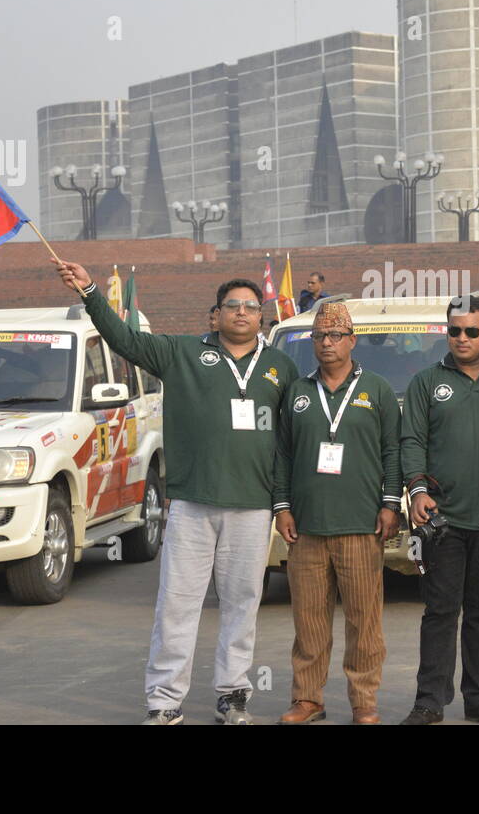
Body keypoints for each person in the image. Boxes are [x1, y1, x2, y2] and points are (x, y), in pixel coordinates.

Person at [52, 259, 299, 726]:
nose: (242, 312)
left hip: (253, 505)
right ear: (215, 315)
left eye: (250, 307)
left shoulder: (280, 367)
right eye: (232, 305)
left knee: (242, 605)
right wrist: (89, 293)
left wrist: (284, 502)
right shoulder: (181, 352)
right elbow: (125, 339)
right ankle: (165, 700)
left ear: (261, 317)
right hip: (191, 503)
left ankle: (233, 696)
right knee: (177, 605)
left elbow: (290, 441)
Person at [273, 302, 401, 725]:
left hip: (361, 525)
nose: (326, 343)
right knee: (309, 620)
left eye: (335, 336)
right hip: (307, 527)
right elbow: (283, 454)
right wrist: (282, 507)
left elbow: (392, 451)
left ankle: (364, 702)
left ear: (352, 340)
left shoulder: (377, 390)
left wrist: (390, 504)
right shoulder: (298, 392)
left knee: (364, 621)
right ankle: (307, 698)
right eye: (319, 336)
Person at [398, 295, 479, 726]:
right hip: (443, 519)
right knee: (440, 613)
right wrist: (416, 490)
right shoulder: (426, 382)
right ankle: (429, 702)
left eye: (472, 331)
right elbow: (412, 441)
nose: (462, 338)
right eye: (454, 331)